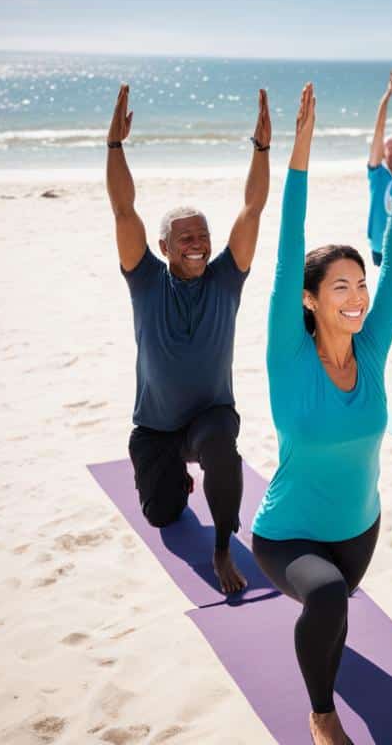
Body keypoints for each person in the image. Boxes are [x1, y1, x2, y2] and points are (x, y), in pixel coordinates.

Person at [250, 82, 392, 745]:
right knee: (325, 598)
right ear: (311, 300)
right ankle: (321, 715)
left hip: (360, 528)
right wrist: (301, 149)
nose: (357, 295)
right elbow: (290, 245)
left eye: (359, 283)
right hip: (287, 535)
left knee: (338, 618)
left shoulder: (372, 347)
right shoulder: (289, 354)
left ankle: (333, 661)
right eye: (339, 286)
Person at [108, 83, 270, 595]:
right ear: (164, 246)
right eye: (186, 238)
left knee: (222, 447)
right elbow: (123, 210)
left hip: (210, 415)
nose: (198, 245)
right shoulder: (145, 278)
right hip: (155, 426)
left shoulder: (226, 278)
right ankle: (177, 478)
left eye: (203, 235)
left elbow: (252, 209)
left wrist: (262, 149)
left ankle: (223, 542)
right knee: (161, 514)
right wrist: (115, 147)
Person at [366, 71, 392, 267]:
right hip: (380, 248)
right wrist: (387, 96)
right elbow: (379, 131)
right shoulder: (378, 174)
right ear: (383, 152)